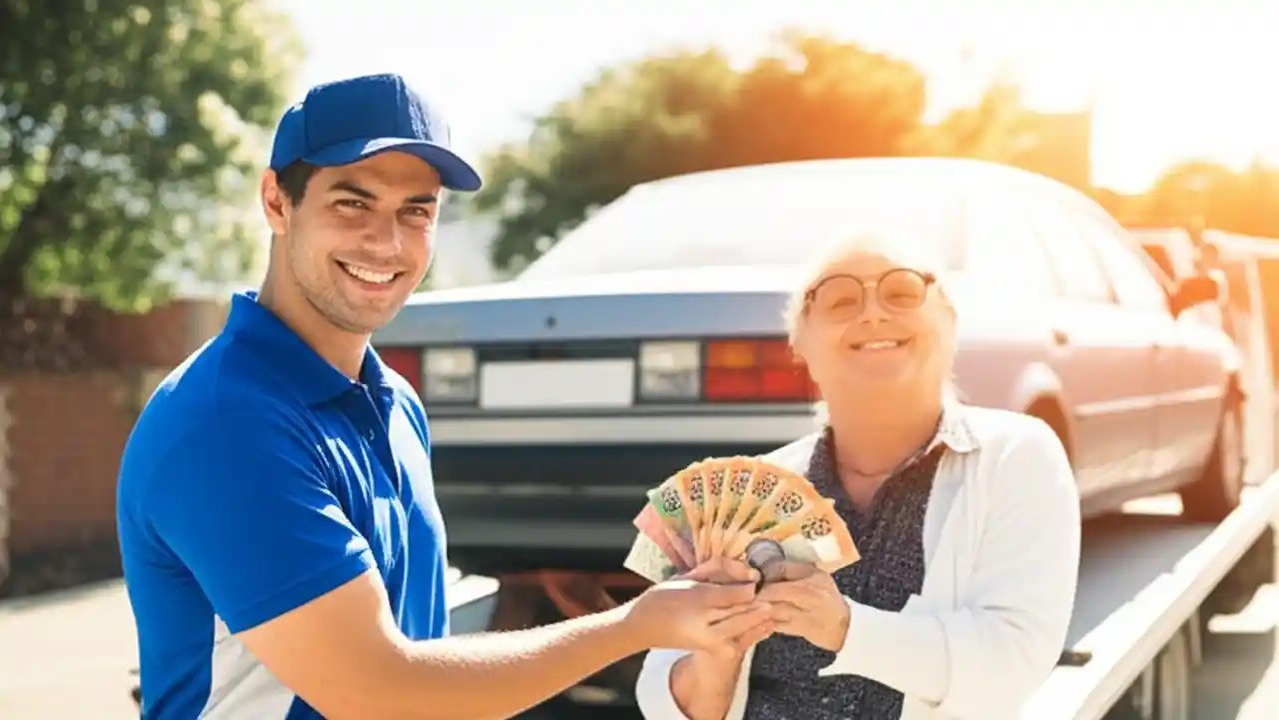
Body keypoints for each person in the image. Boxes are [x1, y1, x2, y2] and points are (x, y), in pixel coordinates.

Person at [116, 73, 772, 720]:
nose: (388, 242)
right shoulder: (224, 423)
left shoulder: (396, 403)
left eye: (417, 211)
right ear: (276, 202)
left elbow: (418, 656)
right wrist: (636, 625)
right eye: (352, 202)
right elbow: (375, 691)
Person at [635, 228, 1082, 719]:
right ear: (800, 344)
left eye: (902, 292)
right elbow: (662, 699)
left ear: (949, 321)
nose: (872, 312)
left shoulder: (1017, 455)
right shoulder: (750, 492)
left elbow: (1013, 658)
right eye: (840, 300)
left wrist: (847, 628)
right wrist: (714, 662)